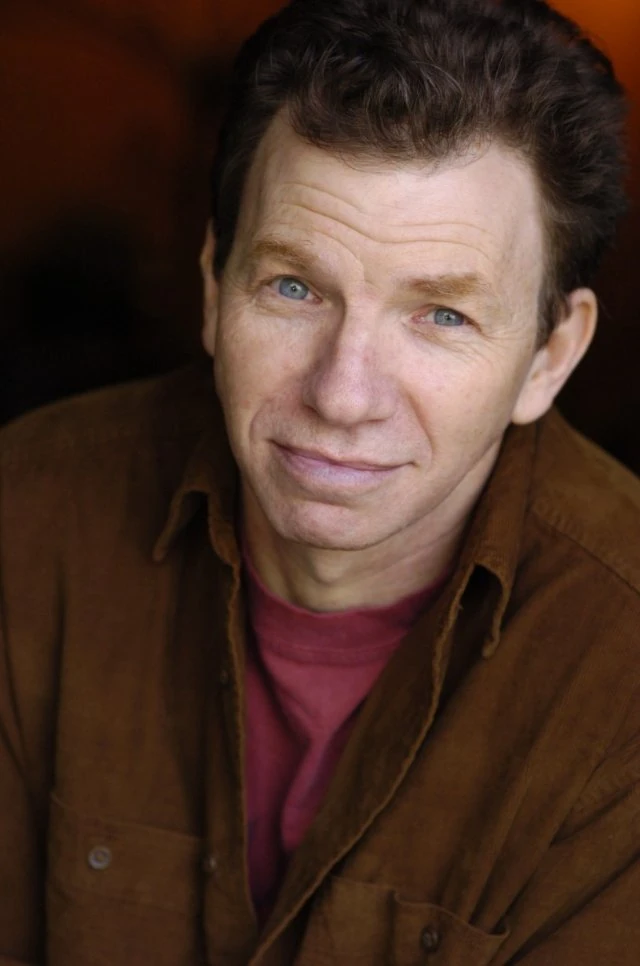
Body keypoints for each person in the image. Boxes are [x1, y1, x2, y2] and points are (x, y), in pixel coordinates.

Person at [1, 0, 638, 962]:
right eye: (294, 287)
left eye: (442, 316)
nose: (342, 395)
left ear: (551, 357)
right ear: (214, 287)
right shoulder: (27, 515)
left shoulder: (623, 673)